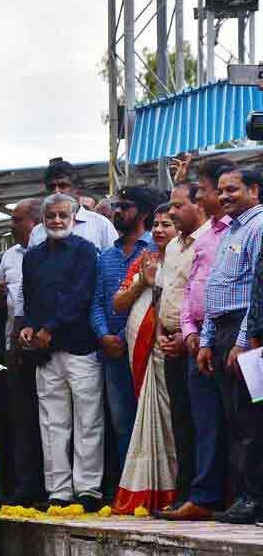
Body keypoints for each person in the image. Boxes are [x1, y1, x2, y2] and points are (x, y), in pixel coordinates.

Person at [161, 156, 233, 521]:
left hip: (231, 335)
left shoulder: (238, 231)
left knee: (234, 423)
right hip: (202, 340)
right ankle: (201, 495)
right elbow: (195, 290)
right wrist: (194, 334)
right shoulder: (207, 237)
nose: (207, 197)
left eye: (206, 190)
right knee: (200, 423)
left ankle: (230, 496)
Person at [21, 193, 104, 512]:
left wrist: (49, 328)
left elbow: (80, 297)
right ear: (43, 220)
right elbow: (29, 299)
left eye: (62, 215)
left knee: (88, 420)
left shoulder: (86, 252)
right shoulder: (33, 256)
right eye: (51, 216)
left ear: (73, 217)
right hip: (44, 353)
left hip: (79, 346)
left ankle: (88, 489)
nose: (57, 221)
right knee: (52, 423)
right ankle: (58, 490)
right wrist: (30, 326)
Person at [197, 168, 263, 524]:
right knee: (235, 421)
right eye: (220, 191)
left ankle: (254, 499)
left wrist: (241, 341)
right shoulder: (230, 230)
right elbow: (214, 289)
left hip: (245, 330)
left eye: (232, 190)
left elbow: (258, 289)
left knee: (251, 421)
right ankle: (244, 496)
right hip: (222, 331)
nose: (223, 197)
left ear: (254, 190)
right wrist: (208, 340)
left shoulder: (259, 226)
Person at [91, 185, 164, 486]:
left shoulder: (156, 250)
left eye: (126, 206)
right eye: (116, 206)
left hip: (143, 347)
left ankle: (153, 486)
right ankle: (127, 488)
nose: (118, 212)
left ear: (144, 213)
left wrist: (124, 336)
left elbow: (154, 300)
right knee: (121, 422)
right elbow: (96, 301)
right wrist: (103, 335)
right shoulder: (106, 255)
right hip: (111, 352)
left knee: (150, 420)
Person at [110, 205, 179, 513]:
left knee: (173, 422)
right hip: (144, 355)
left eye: (167, 224)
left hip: (171, 351)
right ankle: (150, 490)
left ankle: (176, 489)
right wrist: (143, 281)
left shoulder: (183, 257)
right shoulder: (145, 259)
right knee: (146, 419)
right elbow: (118, 303)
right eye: (156, 224)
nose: (160, 230)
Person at [0, 198, 43, 506]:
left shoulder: (48, 251)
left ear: (35, 222)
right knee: (19, 421)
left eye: (17, 221)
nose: (12, 226)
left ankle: (51, 486)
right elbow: (0, 302)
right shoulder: (9, 255)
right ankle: (23, 486)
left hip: (47, 348)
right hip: (14, 351)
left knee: (49, 421)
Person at [29, 159, 118, 250]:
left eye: (63, 185)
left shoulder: (100, 224)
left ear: (77, 189)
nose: (56, 192)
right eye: (51, 187)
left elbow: (114, 261)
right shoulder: (38, 232)